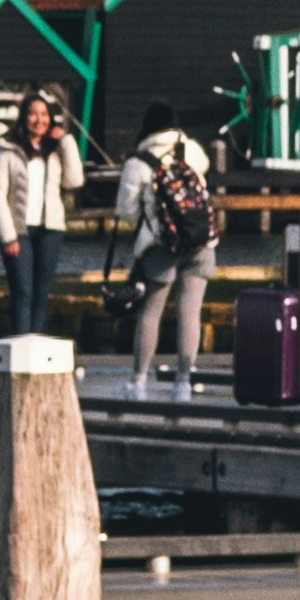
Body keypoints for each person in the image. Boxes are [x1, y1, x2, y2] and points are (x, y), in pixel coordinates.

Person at [119, 119, 224, 395]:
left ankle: (138, 381)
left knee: (150, 314)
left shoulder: (138, 163)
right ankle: (183, 383)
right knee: (190, 312)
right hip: (201, 243)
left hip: (161, 247)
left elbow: (126, 212)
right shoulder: (191, 149)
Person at [0, 89, 78, 339]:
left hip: (51, 228)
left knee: (41, 291)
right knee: (22, 290)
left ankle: (35, 344)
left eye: (44, 114)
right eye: (33, 114)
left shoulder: (55, 149)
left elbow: (74, 180)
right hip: (19, 231)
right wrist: (8, 236)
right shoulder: (7, 151)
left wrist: (66, 142)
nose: (39, 120)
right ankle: (20, 344)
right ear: (23, 118)